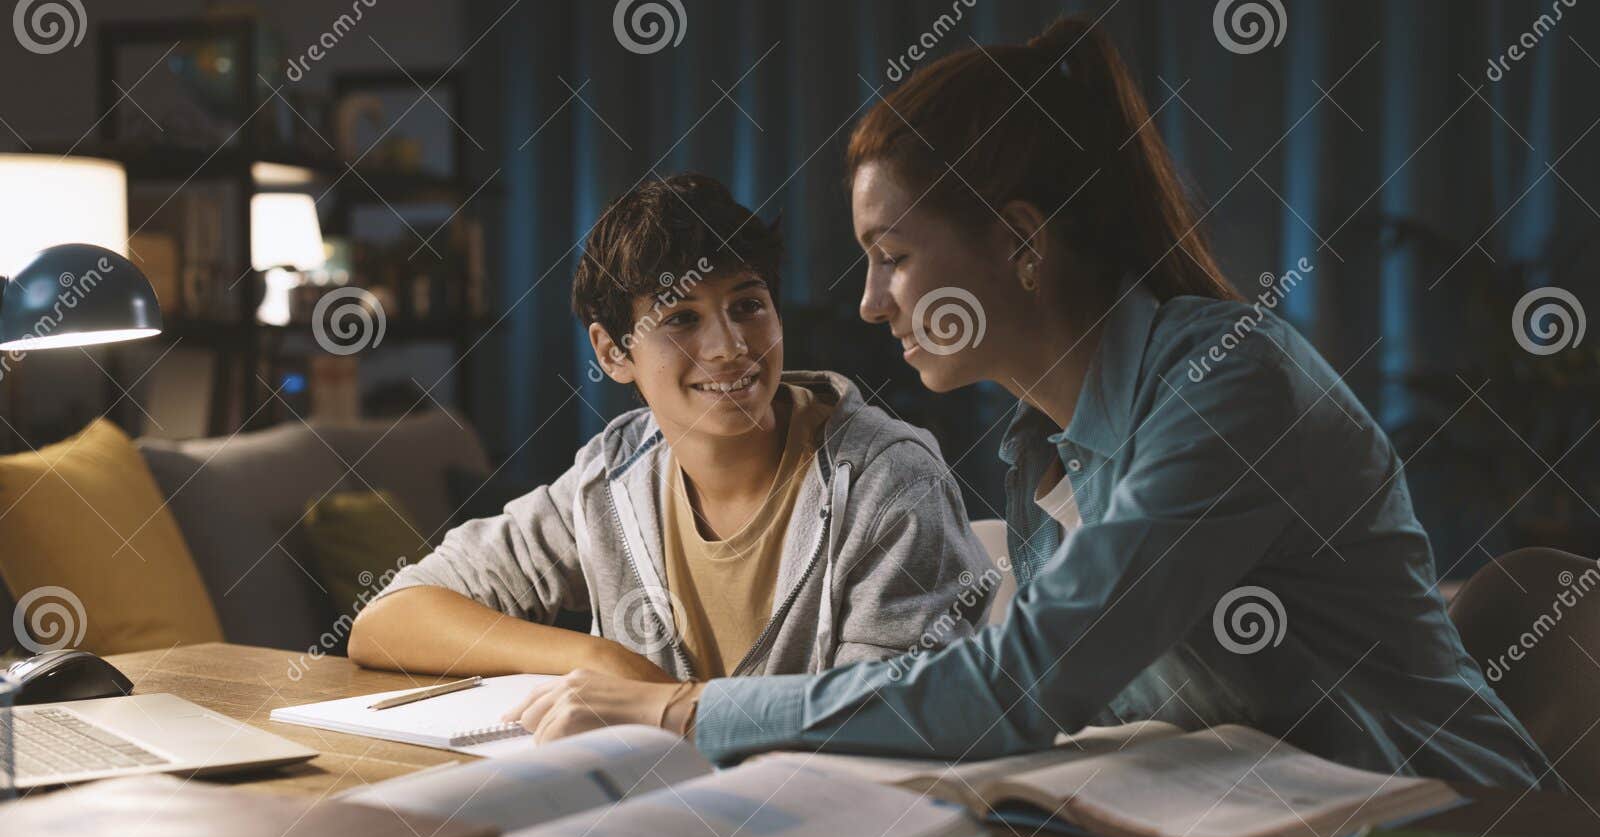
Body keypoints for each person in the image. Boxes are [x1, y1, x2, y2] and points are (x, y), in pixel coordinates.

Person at [500, 19, 1551, 789]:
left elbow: (1024, 685)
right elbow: (1043, 695)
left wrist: (680, 708)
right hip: (1253, 836)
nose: (868, 304)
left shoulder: (1229, 382)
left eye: (893, 258)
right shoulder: (1040, 447)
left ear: (1019, 238)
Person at [350, 173, 991, 707]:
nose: (731, 347)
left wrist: (670, 710)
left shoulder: (890, 483)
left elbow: (888, 719)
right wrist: (599, 658)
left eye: (748, 305)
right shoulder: (614, 475)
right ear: (614, 351)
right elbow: (387, 620)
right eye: (682, 318)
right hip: (643, 831)